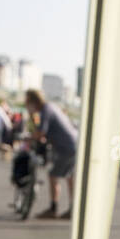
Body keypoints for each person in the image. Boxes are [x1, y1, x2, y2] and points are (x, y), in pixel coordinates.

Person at [24, 88, 77, 220]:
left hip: (66, 146)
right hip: (73, 143)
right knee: (69, 176)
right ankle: (73, 208)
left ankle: (53, 208)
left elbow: (41, 131)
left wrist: (29, 138)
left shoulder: (45, 110)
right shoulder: (51, 107)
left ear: (32, 101)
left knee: (53, 175)